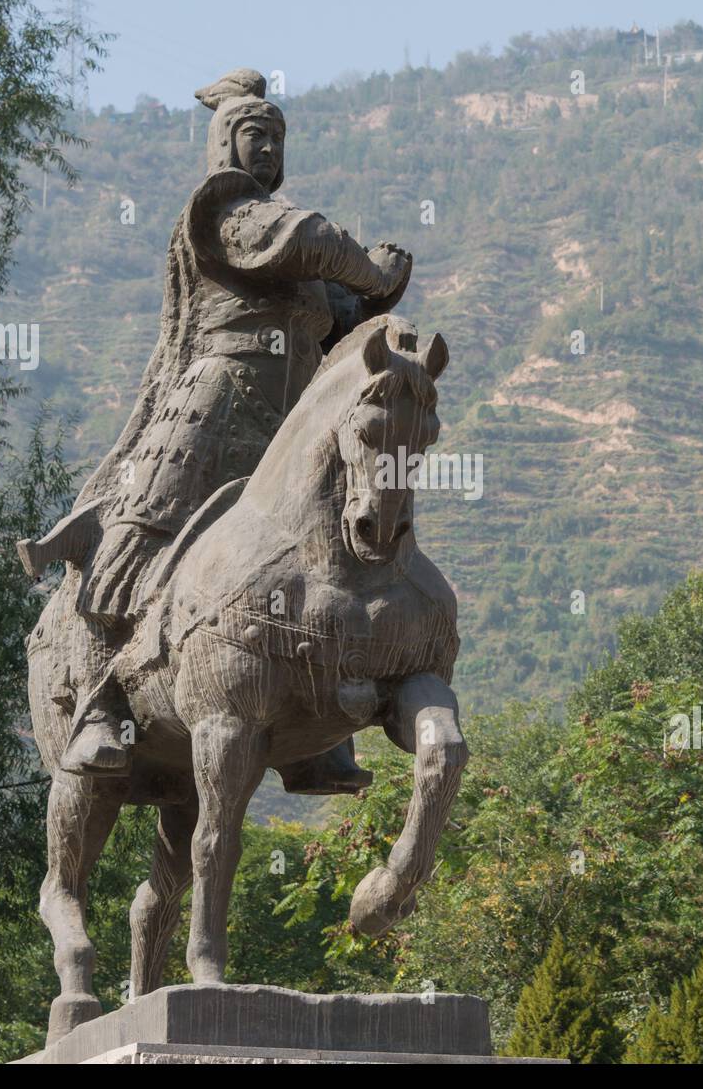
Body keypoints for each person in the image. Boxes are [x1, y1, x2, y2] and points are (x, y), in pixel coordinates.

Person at [22, 68, 412, 783]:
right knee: (147, 536)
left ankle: (321, 724)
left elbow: (344, 316)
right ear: (226, 144)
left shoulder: (294, 267)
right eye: (254, 135)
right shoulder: (228, 210)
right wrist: (372, 272)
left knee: (326, 543)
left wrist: (382, 292)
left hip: (286, 423)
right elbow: (312, 238)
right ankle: (100, 707)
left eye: (276, 139)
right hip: (214, 404)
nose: (266, 151)